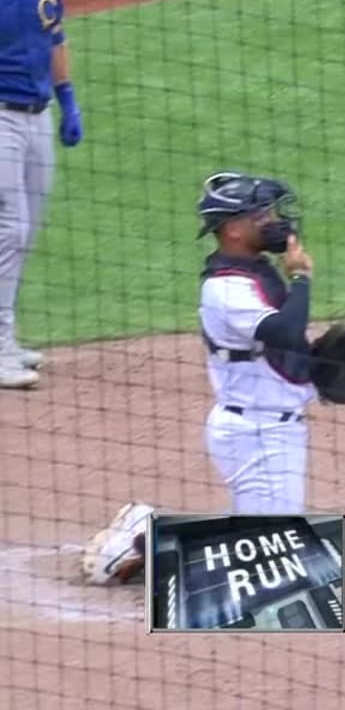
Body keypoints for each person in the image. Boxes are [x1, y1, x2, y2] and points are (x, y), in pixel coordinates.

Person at [80, 172, 318, 584]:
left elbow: (277, 348)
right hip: (257, 432)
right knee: (275, 574)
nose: (274, 219)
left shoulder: (254, 270)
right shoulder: (226, 289)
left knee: (277, 560)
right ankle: (142, 538)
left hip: (267, 425)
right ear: (232, 229)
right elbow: (284, 332)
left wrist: (320, 371)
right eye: (261, 213)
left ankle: (152, 529)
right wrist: (301, 277)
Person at [0, 0, 84, 388]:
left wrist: (68, 98)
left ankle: (6, 336)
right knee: (9, 228)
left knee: (26, 232)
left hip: (38, 116)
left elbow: (56, 36)